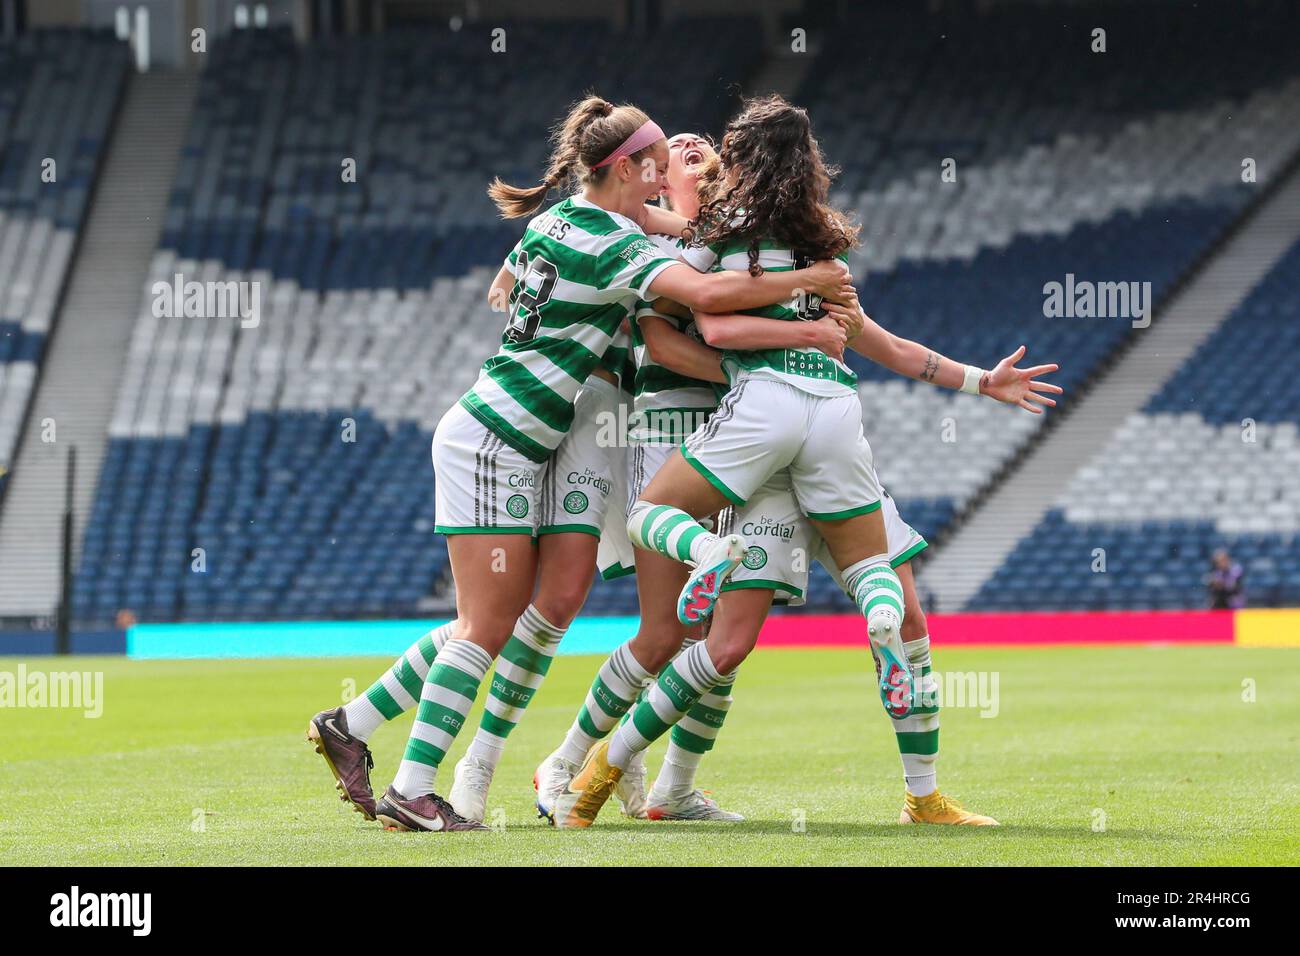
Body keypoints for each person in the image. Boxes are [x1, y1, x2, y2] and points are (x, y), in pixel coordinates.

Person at [305, 94, 852, 833]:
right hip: (547, 423)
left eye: (682, 161)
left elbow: (666, 236)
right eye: (659, 161)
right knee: (493, 619)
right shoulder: (616, 240)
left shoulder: (590, 221)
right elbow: (701, 296)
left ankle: (362, 725)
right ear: (624, 168)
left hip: (558, 424)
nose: (668, 173)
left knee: (550, 602)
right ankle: (430, 781)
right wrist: (802, 293)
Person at [551, 94, 1061, 828]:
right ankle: (916, 780)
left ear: (736, 162)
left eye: (707, 148)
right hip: (834, 421)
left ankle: (604, 770)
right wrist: (980, 381)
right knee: (895, 606)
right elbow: (887, 349)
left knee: (717, 633)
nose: (691, 157)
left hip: (763, 437)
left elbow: (712, 321)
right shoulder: (821, 251)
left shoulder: (710, 241)